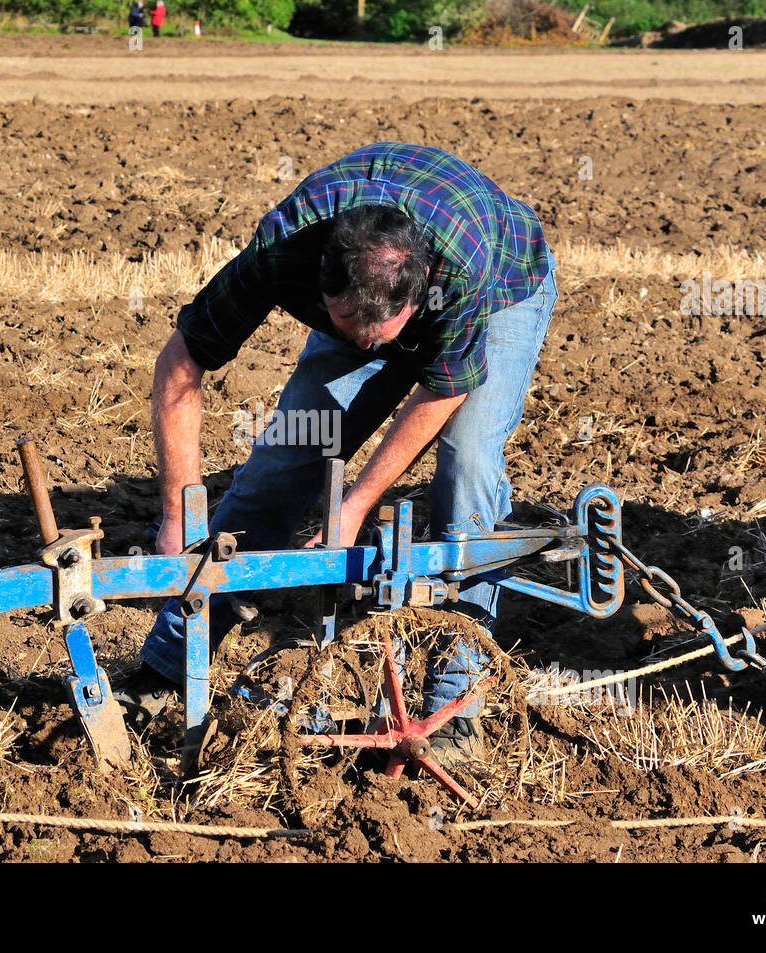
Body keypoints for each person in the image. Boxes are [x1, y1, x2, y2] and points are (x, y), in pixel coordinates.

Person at [115, 142, 557, 764]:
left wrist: (355, 505)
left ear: (417, 294)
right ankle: (169, 665)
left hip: (506, 284)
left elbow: (442, 391)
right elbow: (181, 358)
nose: (369, 348)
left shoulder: (461, 269)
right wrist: (177, 513)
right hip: (369, 284)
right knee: (286, 460)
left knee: (469, 466)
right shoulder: (283, 248)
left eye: (381, 335)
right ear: (325, 291)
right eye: (352, 329)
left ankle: (456, 698)